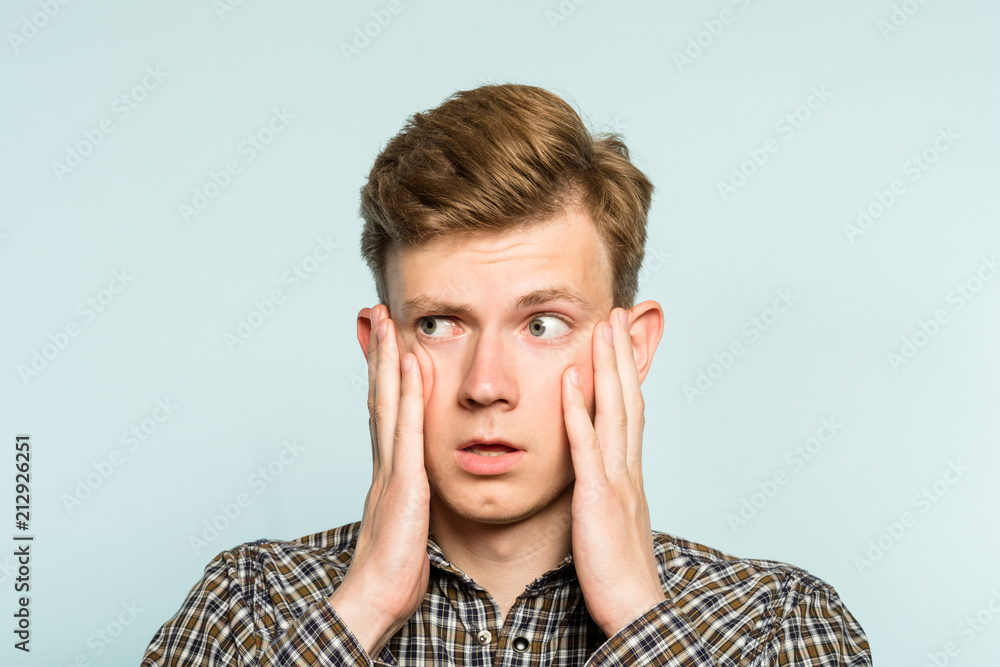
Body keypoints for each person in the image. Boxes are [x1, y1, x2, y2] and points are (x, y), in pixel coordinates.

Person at [141, 84, 871, 665]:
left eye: (542, 324)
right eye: (439, 323)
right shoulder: (248, 606)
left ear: (634, 346)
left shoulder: (779, 623)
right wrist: (364, 606)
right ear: (379, 347)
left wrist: (639, 620)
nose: (486, 385)